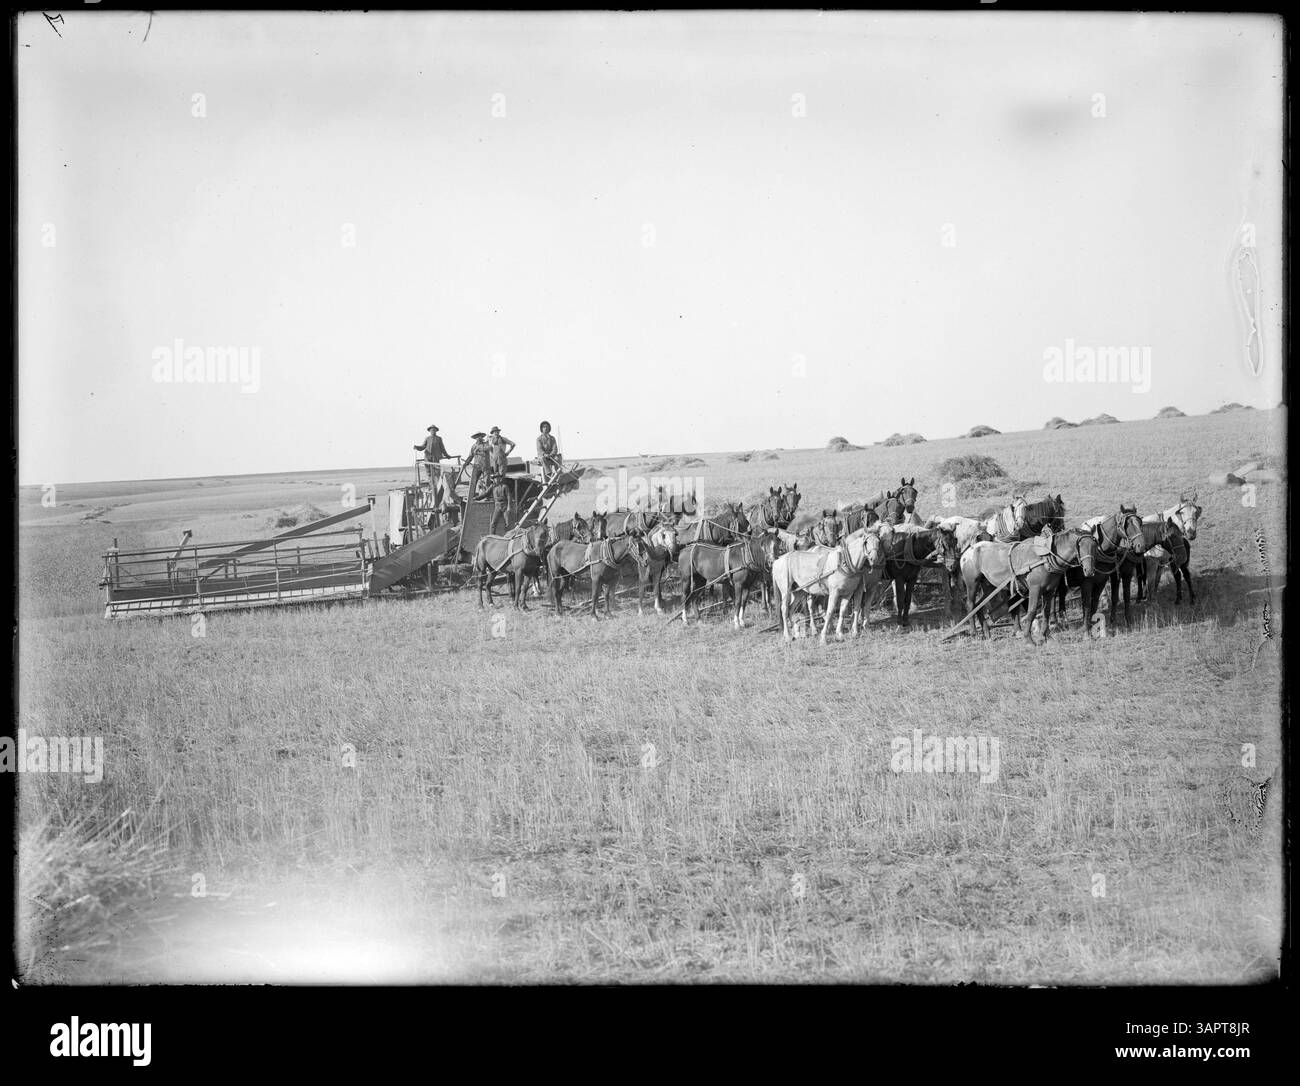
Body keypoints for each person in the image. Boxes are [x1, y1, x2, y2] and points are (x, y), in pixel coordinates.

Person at [465, 431, 491, 501]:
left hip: (486, 466)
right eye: (477, 437)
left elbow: (488, 448)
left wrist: (479, 449)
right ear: (475, 438)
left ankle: (487, 496)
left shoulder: (486, 444)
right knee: (473, 481)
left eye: (480, 436)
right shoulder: (473, 446)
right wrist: (466, 463)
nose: (479, 438)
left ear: (482, 437)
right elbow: (470, 456)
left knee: (487, 482)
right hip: (477, 466)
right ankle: (471, 496)